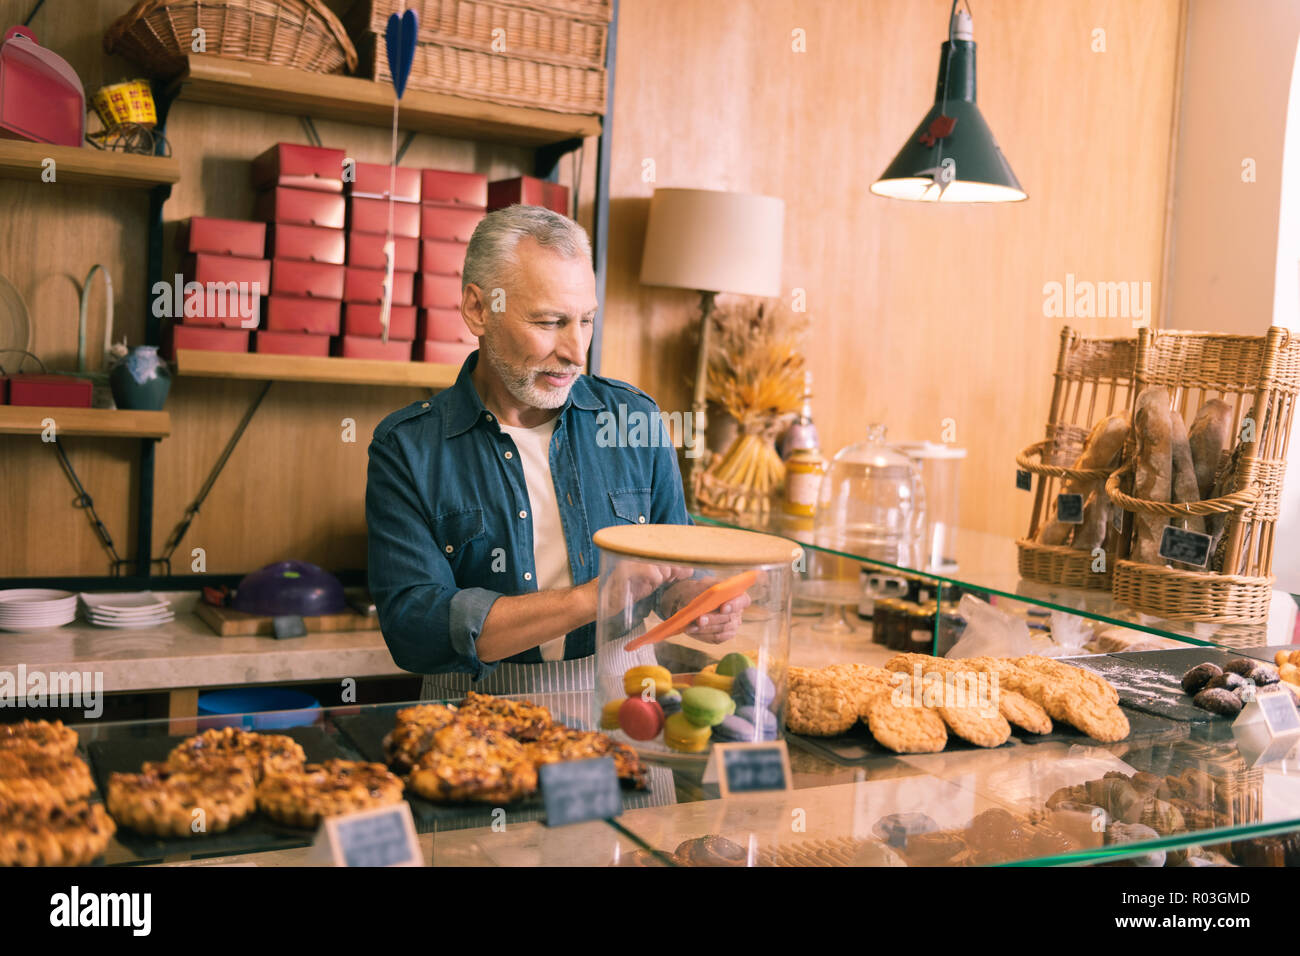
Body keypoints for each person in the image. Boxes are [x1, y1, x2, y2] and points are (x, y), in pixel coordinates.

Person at [366, 205, 749, 698]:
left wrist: (693, 600)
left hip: (626, 696)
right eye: (549, 322)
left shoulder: (635, 420)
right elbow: (416, 631)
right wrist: (595, 597)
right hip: (475, 712)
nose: (576, 352)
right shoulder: (407, 448)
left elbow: (674, 568)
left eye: (586, 321)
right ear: (478, 309)